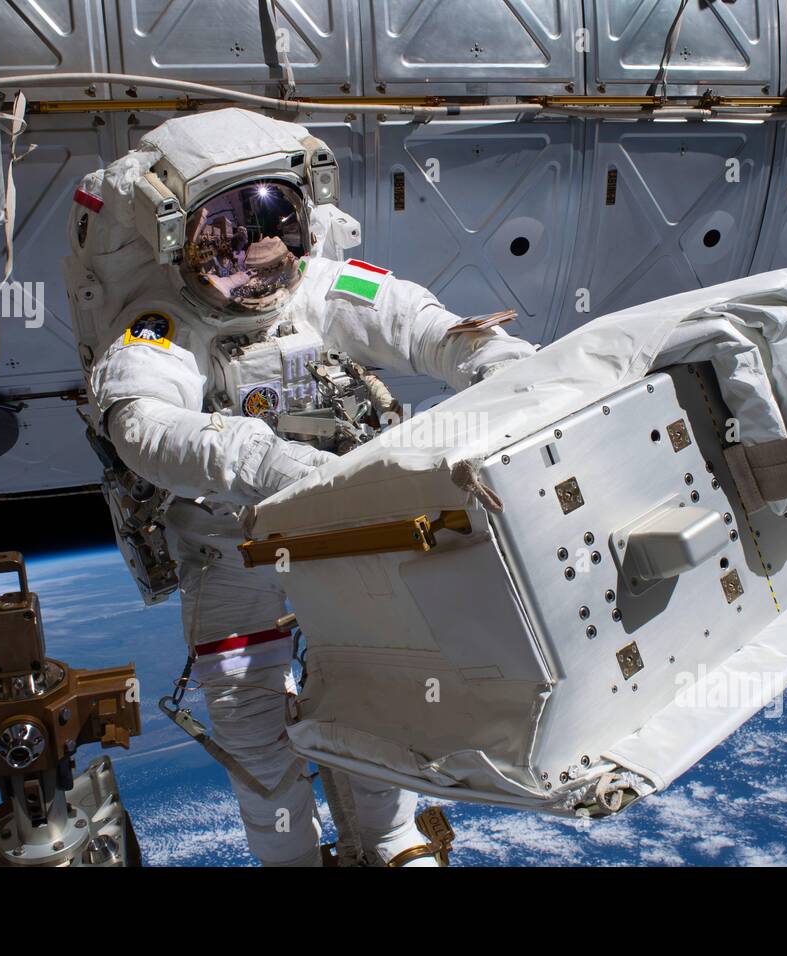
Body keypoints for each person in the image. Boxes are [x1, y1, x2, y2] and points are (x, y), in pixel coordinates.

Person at [64, 108, 535, 866]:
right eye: (227, 241)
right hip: (231, 548)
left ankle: (387, 843)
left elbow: (420, 323)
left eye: (274, 227)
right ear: (179, 245)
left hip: (349, 534)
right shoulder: (159, 325)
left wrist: (496, 363)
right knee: (253, 728)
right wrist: (274, 466)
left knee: (376, 697)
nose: (256, 257)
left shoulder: (321, 285)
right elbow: (140, 423)